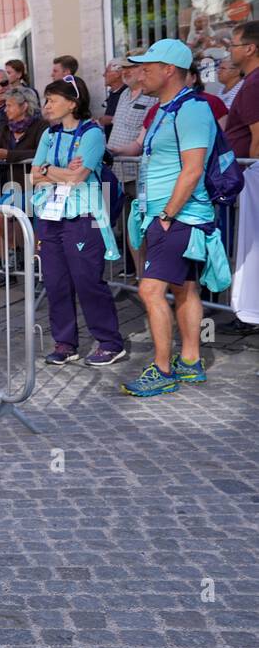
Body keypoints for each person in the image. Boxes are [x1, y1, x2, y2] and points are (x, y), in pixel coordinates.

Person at [121, 39, 232, 397]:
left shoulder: (193, 110)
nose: (140, 73)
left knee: (150, 289)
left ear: (170, 69)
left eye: (147, 67)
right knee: (184, 288)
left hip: (180, 215)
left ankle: (163, 370)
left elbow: (193, 169)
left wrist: (167, 215)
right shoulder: (165, 109)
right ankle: (190, 362)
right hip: (167, 214)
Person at [28, 76, 126, 366]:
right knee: (56, 282)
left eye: (52, 100)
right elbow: (33, 176)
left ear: (72, 103)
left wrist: (49, 170)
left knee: (87, 280)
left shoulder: (92, 134)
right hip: (51, 214)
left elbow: (77, 177)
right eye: (46, 100)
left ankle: (109, 342)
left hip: (86, 215)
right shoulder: (48, 135)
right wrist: (55, 170)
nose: (47, 106)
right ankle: (65, 343)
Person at [0, 88, 46, 286]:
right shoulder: (6, 127)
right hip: (13, 186)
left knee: (36, 223)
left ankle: (37, 266)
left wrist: (8, 155)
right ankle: (10, 261)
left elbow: (39, 152)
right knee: (0, 216)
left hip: (36, 184)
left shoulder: (41, 126)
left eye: (10, 105)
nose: (6, 110)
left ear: (24, 106)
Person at [225, 19, 259, 158]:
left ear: (249, 49)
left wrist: (254, 175)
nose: (229, 50)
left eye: (233, 45)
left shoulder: (254, 83)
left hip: (247, 173)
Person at [99, 58, 127, 137]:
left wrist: (111, 119)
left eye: (107, 71)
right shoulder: (113, 93)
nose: (104, 74)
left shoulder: (127, 94)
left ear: (117, 74)